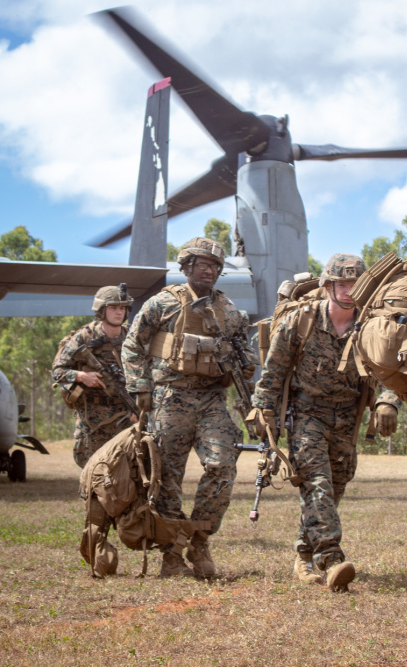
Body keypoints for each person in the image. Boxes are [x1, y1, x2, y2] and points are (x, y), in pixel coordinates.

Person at [252, 253, 401, 592]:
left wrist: (387, 402)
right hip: (308, 414)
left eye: (355, 284)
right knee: (316, 482)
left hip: (348, 415)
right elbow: (273, 374)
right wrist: (263, 413)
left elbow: (390, 372)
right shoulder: (300, 321)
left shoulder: (372, 326)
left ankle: (304, 554)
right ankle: (331, 558)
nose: (349, 291)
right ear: (328, 286)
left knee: (335, 485)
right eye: (342, 284)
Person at [121, 237, 258, 579]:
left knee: (222, 465)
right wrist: (140, 387)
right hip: (170, 397)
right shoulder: (161, 303)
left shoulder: (230, 312)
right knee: (168, 478)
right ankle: (171, 554)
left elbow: (245, 352)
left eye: (215, 266)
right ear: (186, 267)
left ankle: (199, 541)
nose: (209, 271)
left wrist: (246, 365)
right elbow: (132, 345)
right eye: (202, 265)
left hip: (212, 399)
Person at [52, 285, 136, 468]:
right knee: (92, 467)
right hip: (93, 417)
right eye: (113, 308)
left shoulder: (132, 337)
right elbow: (58, 371)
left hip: (125, 414)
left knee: (126, 469)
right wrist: (82, 376)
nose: (119, 312)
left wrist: (138, 409)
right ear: (101, 310)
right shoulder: (84, 337)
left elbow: (143, 374)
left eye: (122, 308)